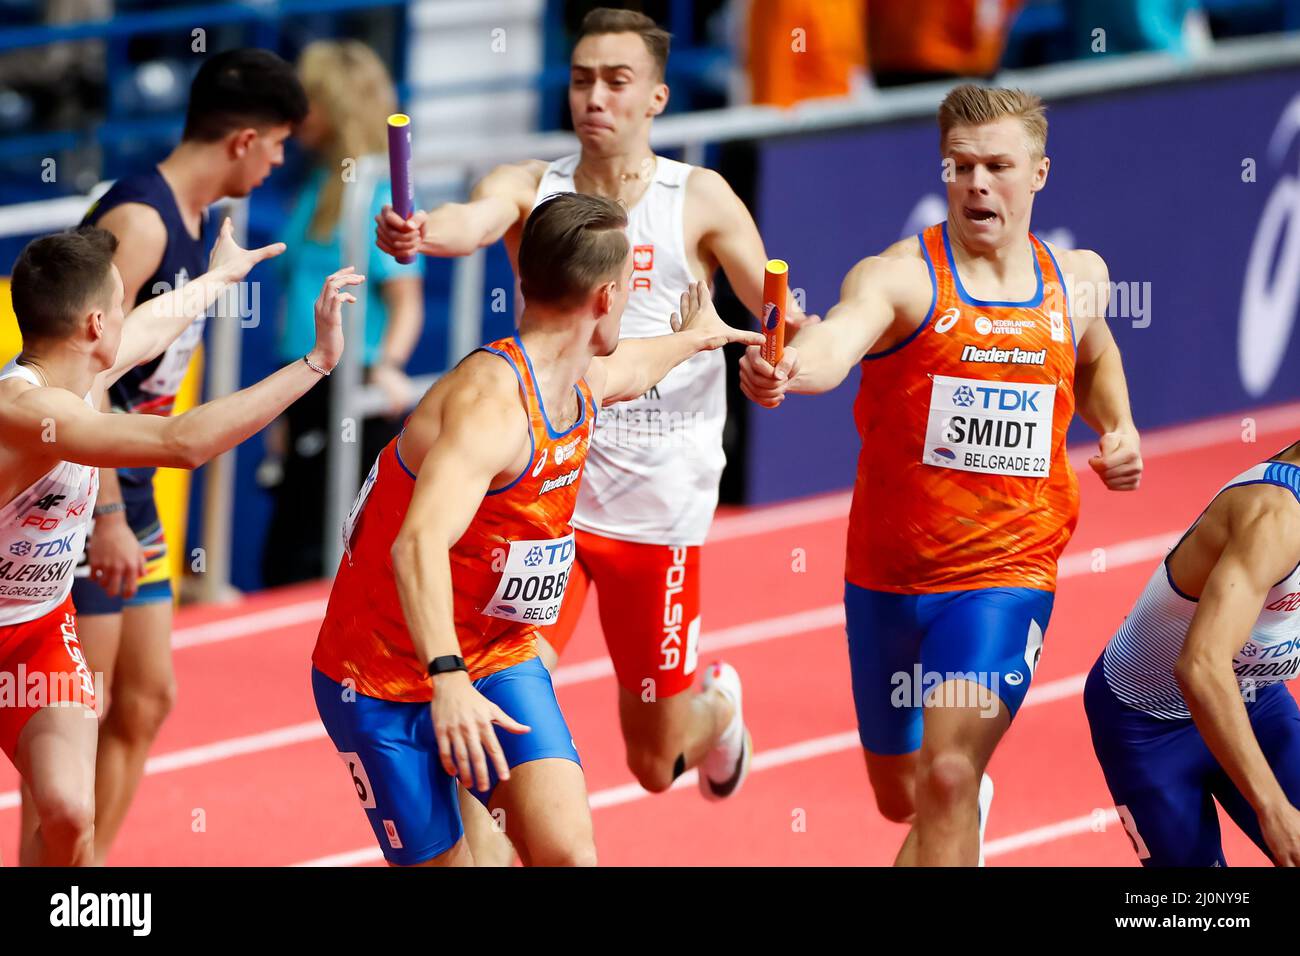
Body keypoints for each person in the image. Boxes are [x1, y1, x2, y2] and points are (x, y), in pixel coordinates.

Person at [376, 10, 811, 849]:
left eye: (616, 81)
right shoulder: (532, 187)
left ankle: (715, 709)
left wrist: (780, 360)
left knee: (654, 761)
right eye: (581, 78)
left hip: (660, 514)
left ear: (657, 96)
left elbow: (778, 310)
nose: (594, 97)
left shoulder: (702, 198)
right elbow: (471, 219)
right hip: (551, 508)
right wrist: (425, 230)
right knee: (506, 689)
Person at [739, 84, 1144, 866]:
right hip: (889, 573)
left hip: (1005, 571)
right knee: (903, 797)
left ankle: (962, 794)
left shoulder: (1079, 277)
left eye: (997, 166)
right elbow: (835, 346)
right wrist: (789, 364)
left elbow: (1093, 355)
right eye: (960, 167)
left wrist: (1118, 425)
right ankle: (960, 805)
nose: (976, 184)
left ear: (1039, 175)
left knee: (950, 772)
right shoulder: (900, 277)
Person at [312, 192, 764, 866]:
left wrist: (699, 337)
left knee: (567, 855)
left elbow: (630, 369)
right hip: (380, 677)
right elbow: (416, 544)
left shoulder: (579, 377)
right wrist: (447, 679)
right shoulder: (490, 409)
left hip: (498, 655)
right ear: (607, 299)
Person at [1, 219, 355, 865]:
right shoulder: (30, 415)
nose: (126, 314)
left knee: (70, 813)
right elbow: (181, 444)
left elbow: (150, 328)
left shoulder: (77, 375)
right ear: (91, 327)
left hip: (35, 634)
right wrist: (316, 364)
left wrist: (220, 277)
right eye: (118, 304)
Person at [36, 48, 308, 866]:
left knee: (147, 700)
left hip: (136, 486)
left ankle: (89, 873)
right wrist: (108, 515)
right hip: (88, 491)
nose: (280, 162)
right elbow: (75, 374)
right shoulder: (140, 222)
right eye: (279, 144)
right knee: (69, 727)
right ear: (244, 139)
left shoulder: (192, 223)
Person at [1086, 442, 1300, 866]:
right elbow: (1201, 667)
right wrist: (1272, 808)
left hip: (1253, 700)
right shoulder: (1275, 518)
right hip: (1148, 724)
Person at [261, 39, 425, 588]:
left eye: (306, 99)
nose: (293, 111)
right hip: (304, 381)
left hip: (350, 385)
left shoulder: (377, 191)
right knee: (289, 543)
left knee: (331, 546)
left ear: (334, 106)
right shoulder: (314, 184)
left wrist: (388, 367)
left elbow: (407, 300)